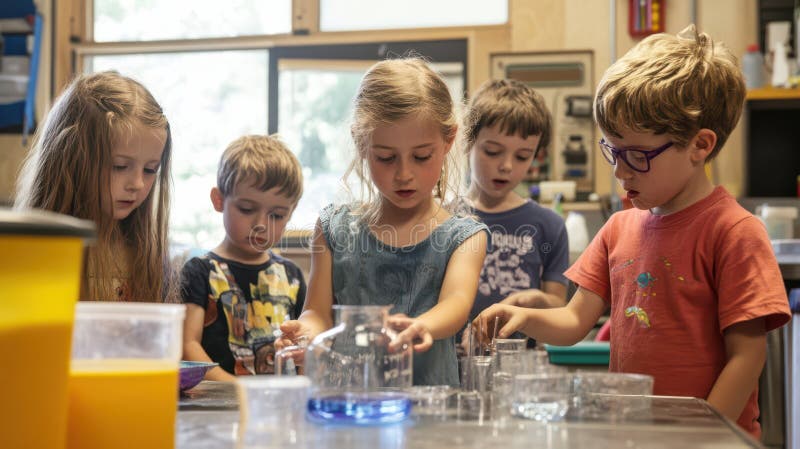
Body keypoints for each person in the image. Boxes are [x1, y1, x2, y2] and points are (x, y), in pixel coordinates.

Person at [473, 25, 791, 437]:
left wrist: (700, 435)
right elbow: (573, 320)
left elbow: (747, 358)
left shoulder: (734, 232)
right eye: (613, 152)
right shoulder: (618, 228)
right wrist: (521, 317)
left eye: (636, 156)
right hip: (634, 433)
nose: (620, 171)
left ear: (700, 146)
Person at [279, 57, 489, 386]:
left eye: (421, 156)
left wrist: (424, 325)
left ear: (448, 140)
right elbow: (318, 313)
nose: (404, 174)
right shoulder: (333, 229)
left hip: (429, 415)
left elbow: (456, 304)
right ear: (362, 144)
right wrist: (306, 334)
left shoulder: (464, 237)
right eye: (386, 157)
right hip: (348, 406)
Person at [15, 71, 177, 302]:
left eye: (150, 169)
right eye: (120, 166)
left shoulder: (145, 255)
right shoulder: (32, 253)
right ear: (71, 161)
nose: (138, 184)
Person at [180, 135, 307, 380]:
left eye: (277, 215)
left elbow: (304, 348)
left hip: (278, 403)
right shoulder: (199, 271)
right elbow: (188, 345)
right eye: (247, 209)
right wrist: (236, 388)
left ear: (291, 214)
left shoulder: (292, 276)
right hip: (220, 404)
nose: (261, 225)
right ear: (219, 200)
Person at [463, 79, 569, 343]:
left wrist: (537, 300)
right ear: (467, 141)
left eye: (522, 156)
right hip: (454, 365)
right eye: (493, 151)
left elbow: (559, 306)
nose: (507, 165)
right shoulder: (441, 218)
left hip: (519, 365)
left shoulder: (549, 226)